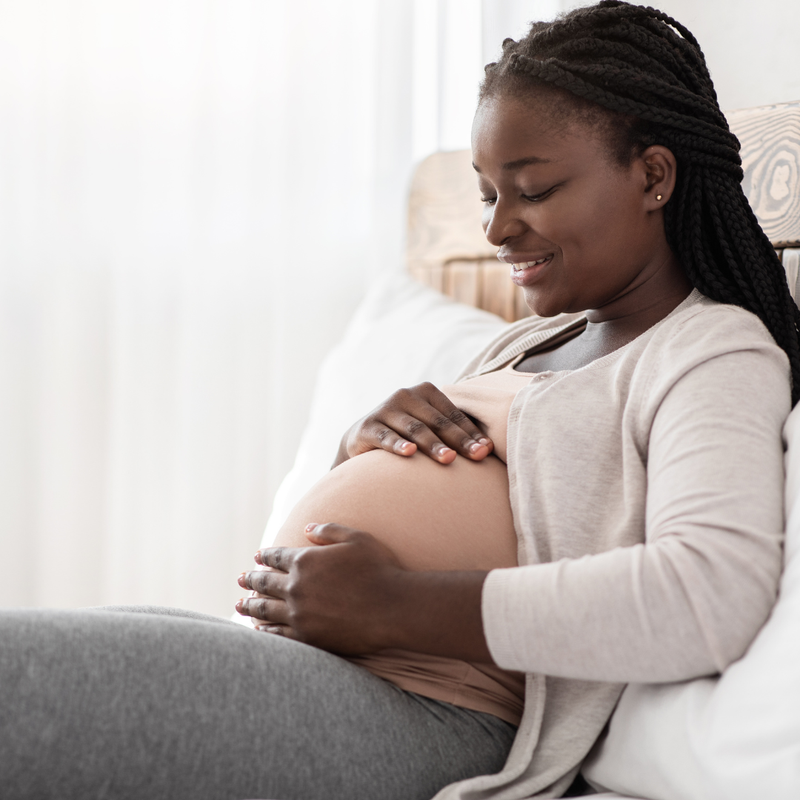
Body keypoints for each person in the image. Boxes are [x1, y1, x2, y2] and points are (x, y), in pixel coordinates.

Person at [0, 2, 795, 799]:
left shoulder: (709, 349)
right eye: (487, 195)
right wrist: (363, 443)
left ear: (653, 175)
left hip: (427, 708)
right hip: (310, 663)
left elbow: (707, 595)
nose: (495, 230)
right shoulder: (520, 346)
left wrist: (395, 606)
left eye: (534, 189)